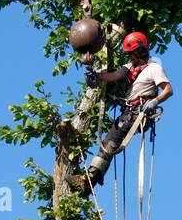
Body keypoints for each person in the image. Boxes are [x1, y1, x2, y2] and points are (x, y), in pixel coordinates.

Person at [70, 31, 172, 197]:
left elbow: (168, 90)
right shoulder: (129, 68)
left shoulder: (154, 68)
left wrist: (154, 101)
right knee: (109, 144)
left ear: (139, 51)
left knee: (109, 143)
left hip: (137, 114)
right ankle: (92, 180)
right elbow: (113, 76)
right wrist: (94, 74)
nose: (129, 57)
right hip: (128, 113)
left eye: (130, 54)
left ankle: (87, 182)